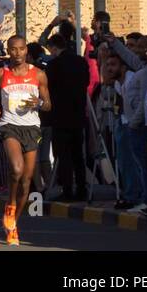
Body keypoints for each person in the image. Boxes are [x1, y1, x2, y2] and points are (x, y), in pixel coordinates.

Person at [0, 34, 51, 246]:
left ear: (26, 50)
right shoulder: (0, 74)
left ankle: (13, 225)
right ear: (9, 51)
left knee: (26, 182)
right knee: (16, 169)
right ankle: (9, 205)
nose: (17, 53)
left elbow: (48, 105)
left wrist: (39, 102)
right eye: (13, 49)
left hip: (31, 128)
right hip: (10, 126)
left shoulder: (39, 75)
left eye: (21, 49)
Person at [45, 28, 91, 202]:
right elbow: (86, 82)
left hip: (60, 116)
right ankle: (81, 188)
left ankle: (67, 189)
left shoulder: (54, 65)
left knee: (63, 155)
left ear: (54, 48)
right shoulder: (80, 62)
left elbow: (48, 88)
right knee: (78, 154)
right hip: (78, 114)